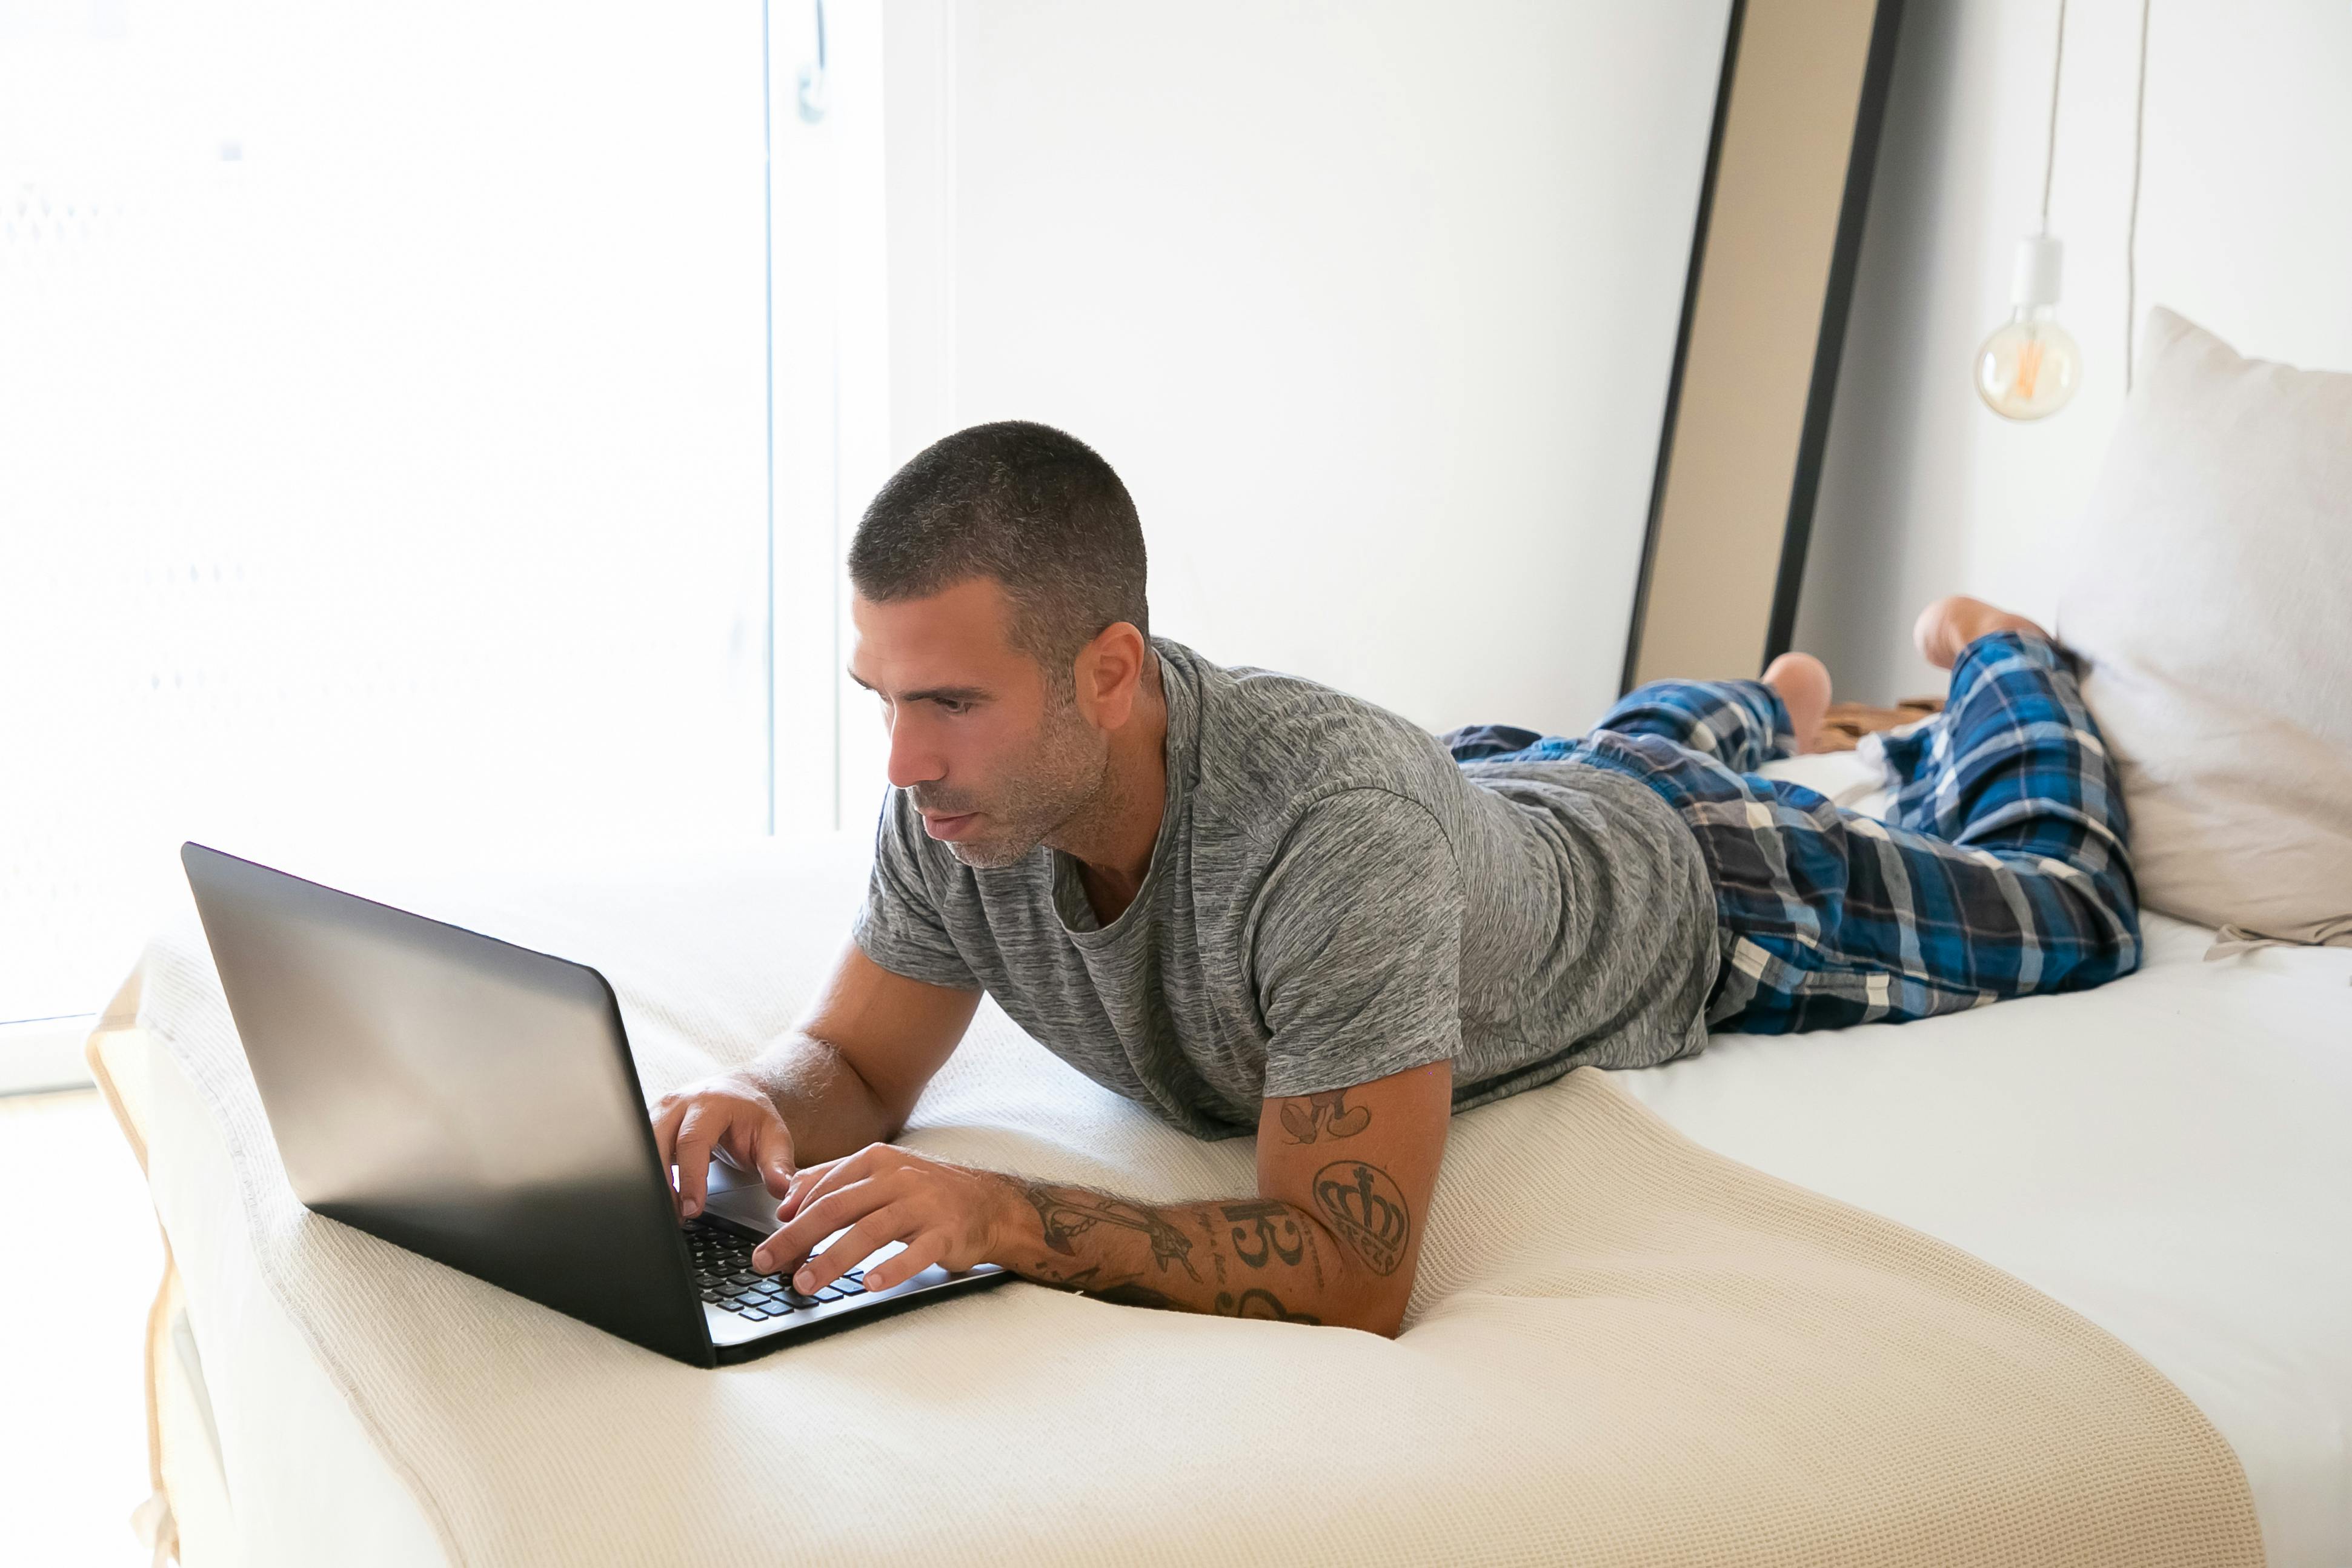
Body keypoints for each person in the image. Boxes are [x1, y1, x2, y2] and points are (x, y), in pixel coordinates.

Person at [651, 421, 2140, 1338]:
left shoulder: (1335, 837)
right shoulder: (960, 810)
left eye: (951, 705)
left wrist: (1011, 1215)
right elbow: (852, 1054)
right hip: (1493, 793)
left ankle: (1989, 652)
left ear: (1109, 673)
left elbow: (1349, 1269)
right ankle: (1779, 703)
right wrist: (763, 1100)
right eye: (884, 699)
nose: (904, 765)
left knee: (2071, 911)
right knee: (1590, 760)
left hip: (1701, 886)